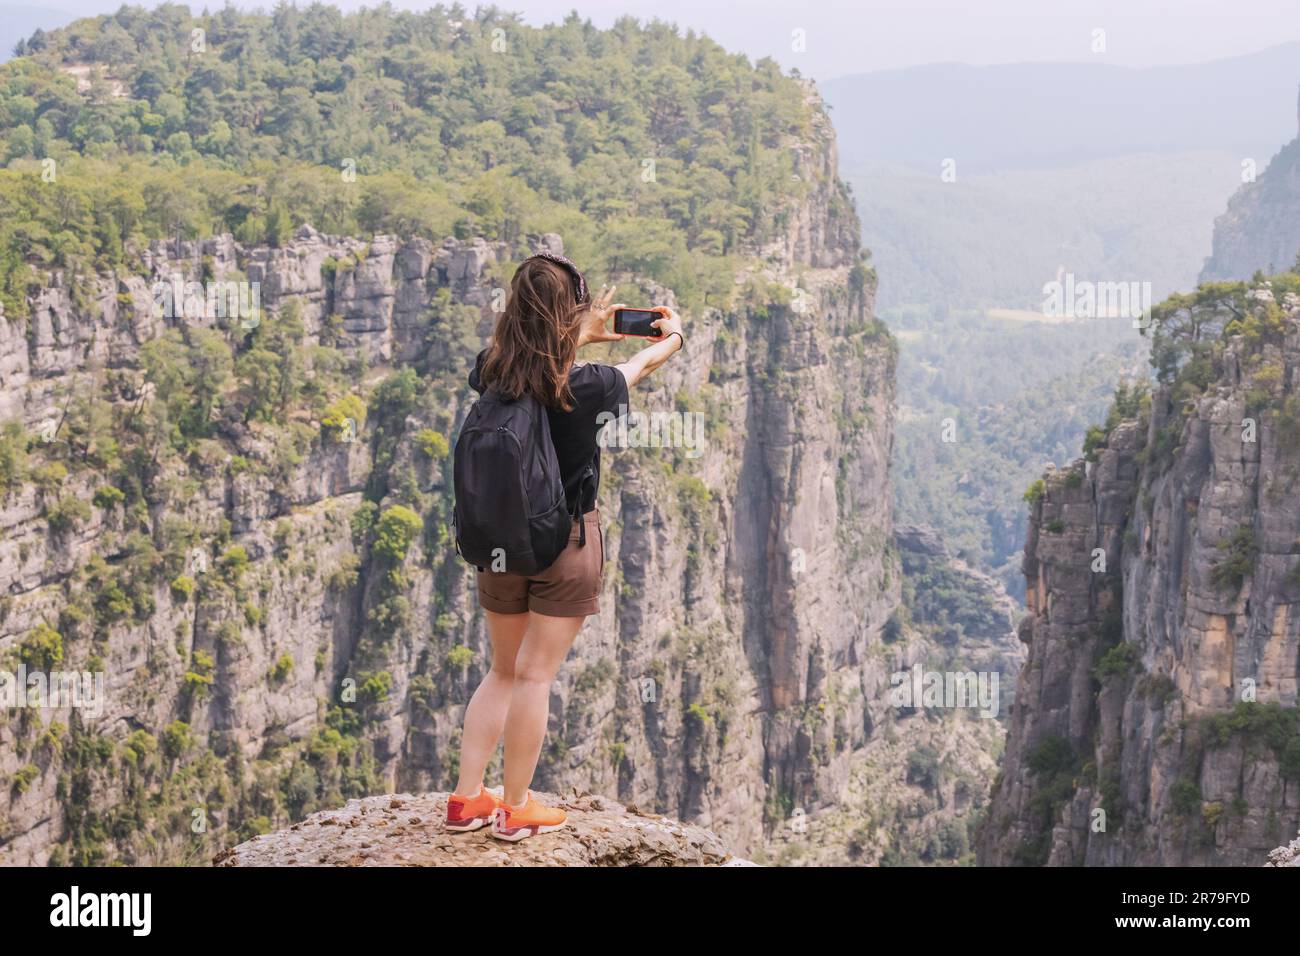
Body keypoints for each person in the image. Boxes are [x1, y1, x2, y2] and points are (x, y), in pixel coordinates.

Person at [445, 251, 684, 841]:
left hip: (500, 545)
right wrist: (673, 337)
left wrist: (574, 330)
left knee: (502, 671)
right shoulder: (591, 386)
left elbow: (528, 354)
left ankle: (466, 799)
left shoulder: (493, 370)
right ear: (570, 315)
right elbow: (642, 365)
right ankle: (517, 808)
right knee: (534, 677)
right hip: (566, 545)